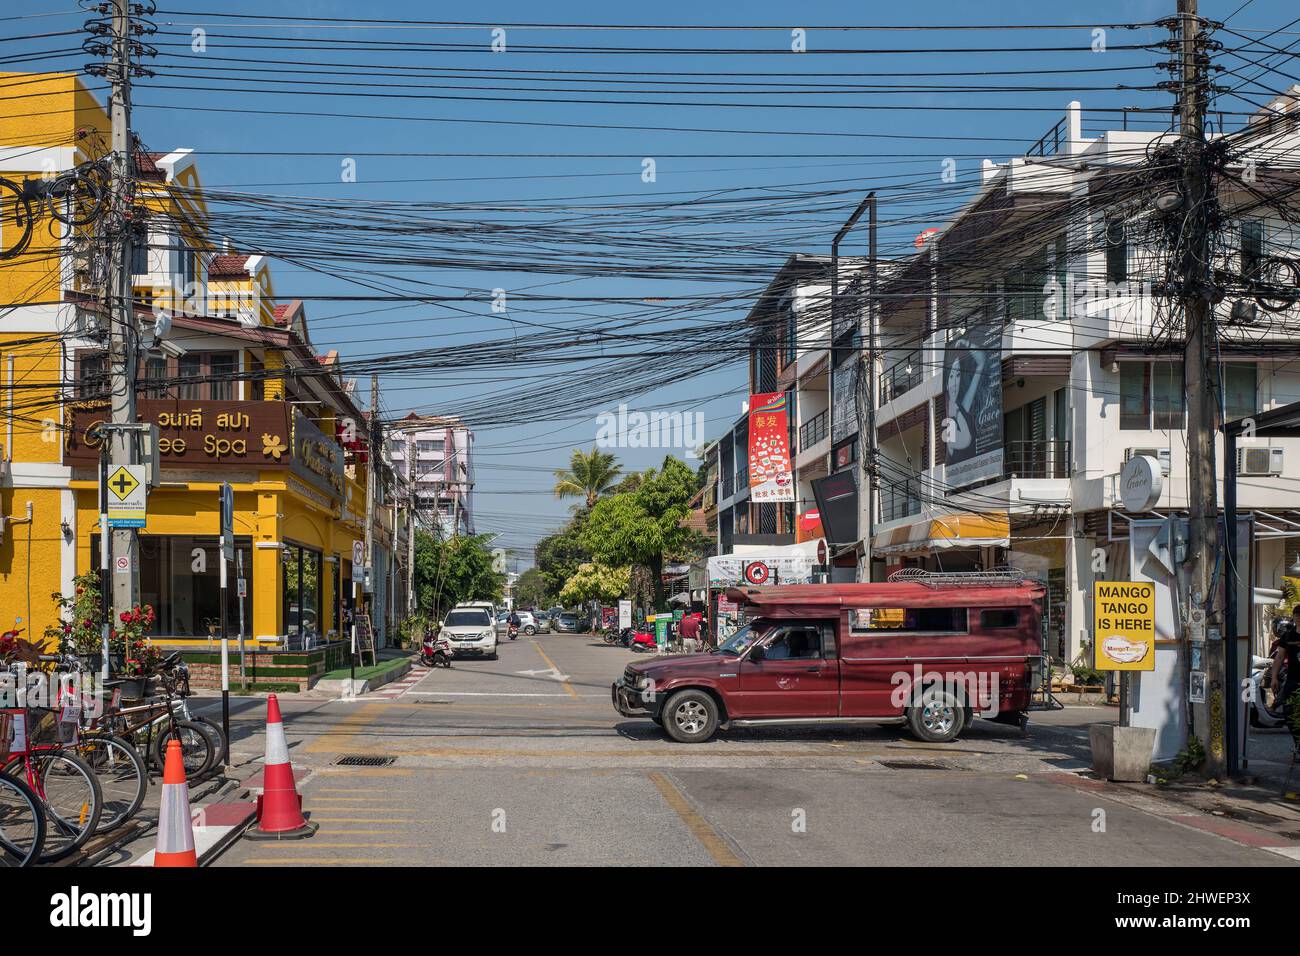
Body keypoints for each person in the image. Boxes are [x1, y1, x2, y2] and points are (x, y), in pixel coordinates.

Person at [1269, 606, 1300, 717]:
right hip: (1293, 679)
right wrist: (1274, 677)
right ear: (1294, 617)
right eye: (1297, 615)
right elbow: (1279, 657)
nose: (1299, 618)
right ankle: (1276, 705)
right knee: (1290, 713)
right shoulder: (1288, 636)